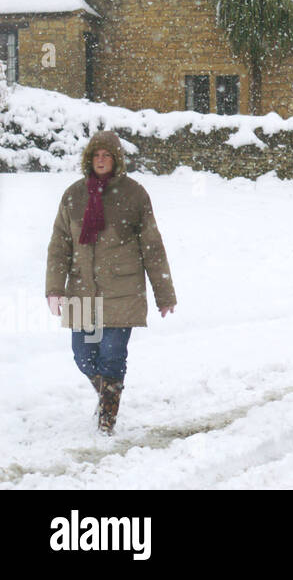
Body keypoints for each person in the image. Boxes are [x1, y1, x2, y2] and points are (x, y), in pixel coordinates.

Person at [46, 130, 177, 435]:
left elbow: (152, 246)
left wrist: (164, 293)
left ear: (116, 160)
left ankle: (107, 417)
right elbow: (59, 245)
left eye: (106, 155)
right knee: (83, 355)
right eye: (96, 155)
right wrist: (54, 288)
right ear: (88, 159)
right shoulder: (73, 195)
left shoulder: (134, 194)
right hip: (80, 289)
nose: (101, 160)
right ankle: (109, 394)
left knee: (112, 354)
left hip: (123, 290)